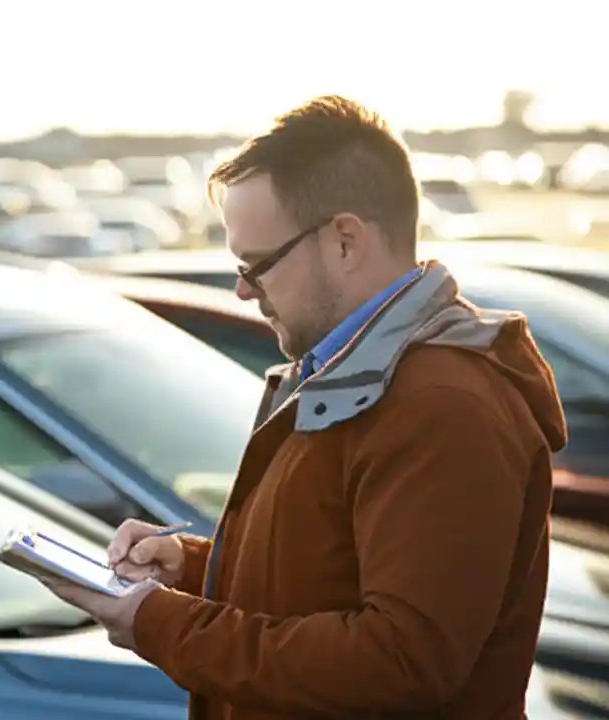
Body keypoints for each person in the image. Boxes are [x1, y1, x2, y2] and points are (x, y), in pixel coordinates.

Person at [38, 95, 566, 719]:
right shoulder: (358, 373)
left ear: (344, 241)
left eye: (255, 266)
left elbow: (399, 661)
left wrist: (165, 625)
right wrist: (189, 569)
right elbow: (328, 575)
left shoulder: (442, 406)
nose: (242, 291)